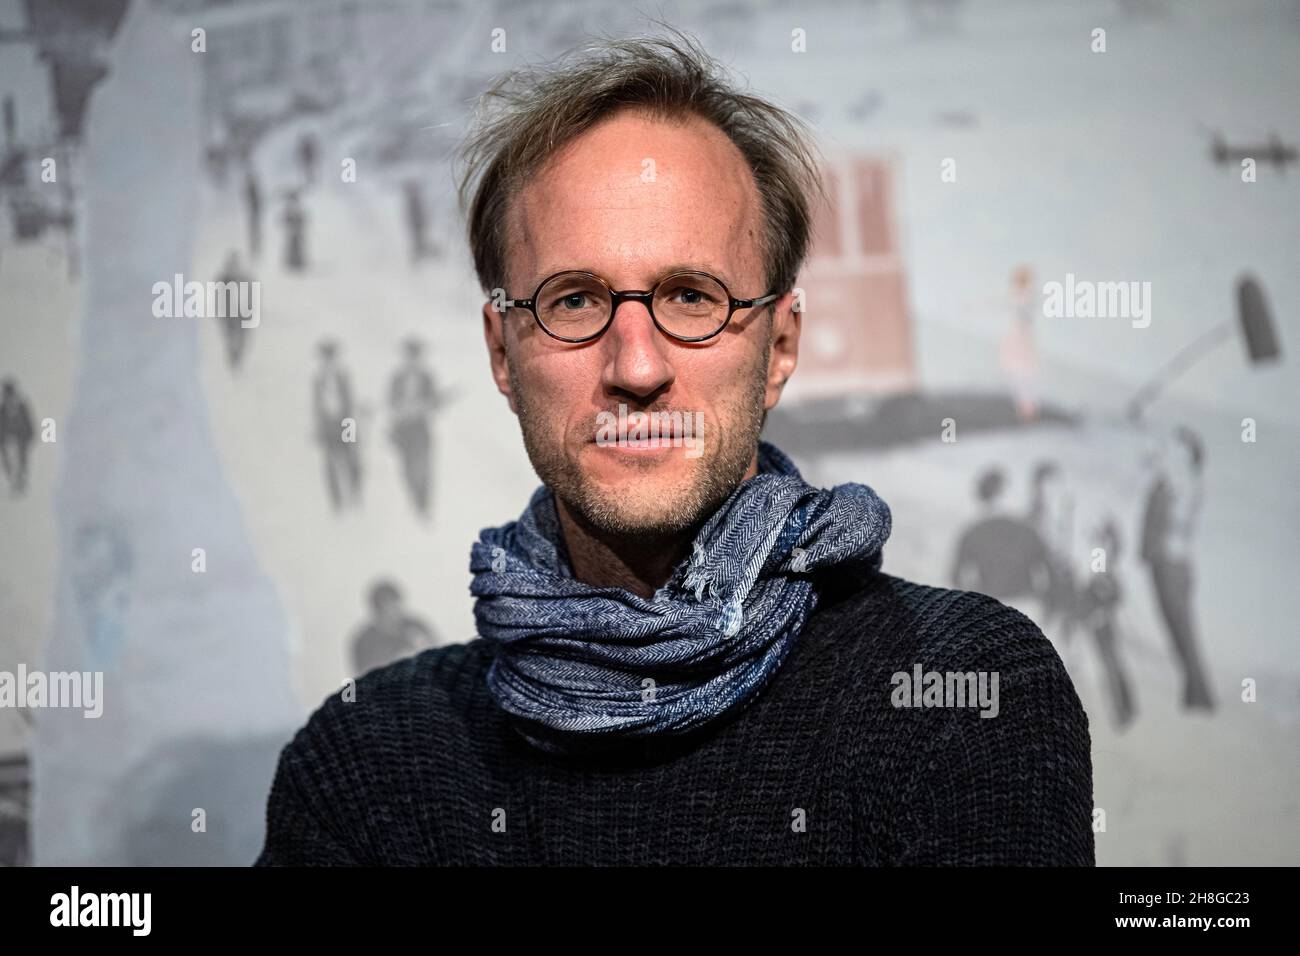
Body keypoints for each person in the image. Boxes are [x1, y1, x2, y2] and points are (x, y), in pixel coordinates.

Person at [257, 30, 1093, 866]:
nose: (638, 366)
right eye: (575, 301)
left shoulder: (959, 695)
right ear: (501, 353)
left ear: (781, 346)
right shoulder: (366, 765)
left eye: (692, 297)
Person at [1140, 427, 1214, 711]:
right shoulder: (1185, 482)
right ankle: (1193, 693)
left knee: (1182, 632)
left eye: (1178, 449)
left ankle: (1200, 696)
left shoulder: (1183, 484)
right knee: (1178, 631)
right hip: (1173, 564)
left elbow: (1180, 524)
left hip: (1172, 565)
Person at [387, 338, 444, 517]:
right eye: (409, 356)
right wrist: (402, 410)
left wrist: (425, 406)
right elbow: (389, 403)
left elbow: (436, 403)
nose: (412, 360)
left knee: (424, 467)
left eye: (415, 356)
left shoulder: (427, 378)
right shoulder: (396, 378)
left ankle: (423, 505)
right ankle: (414, 500)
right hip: (403, 430)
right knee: (407, 468)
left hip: (421, 429)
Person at [312, 340, 361, 512]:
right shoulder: (318, 380)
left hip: (345, 424)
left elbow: (351, 404)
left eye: (331, 358)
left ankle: (355, 495)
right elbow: (316, 407)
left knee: (351, 461)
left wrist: (351, 430)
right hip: (328, 427)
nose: (328, 362)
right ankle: (336, 502)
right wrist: (318, 428)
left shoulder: (344, 378)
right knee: (330, 464)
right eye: (325, 358)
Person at [350, 580, 436, 677]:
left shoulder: (416, 627)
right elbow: (365, 677)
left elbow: (438, 655)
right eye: (388, 610)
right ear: (377, 613)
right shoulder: (364, 643)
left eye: (396, 607)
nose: (395, 615)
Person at [0, 379, 35, 495]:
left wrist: (29, 436)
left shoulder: (21, 406)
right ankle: (13, 482)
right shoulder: (3, 409)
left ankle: (21, 482)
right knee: (9, 461)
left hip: (21, 440)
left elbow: (29, 422)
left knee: (21, 461)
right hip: (6, 441)